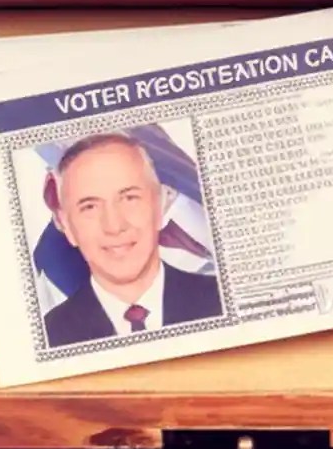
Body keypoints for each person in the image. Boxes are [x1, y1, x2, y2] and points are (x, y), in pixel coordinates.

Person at [42, 133, 222, 348]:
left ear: (161, 204)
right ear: (66, 225)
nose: (114, 226)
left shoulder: (223, 299)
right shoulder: (49, 337)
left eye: (129, 198)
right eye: (90, 206)